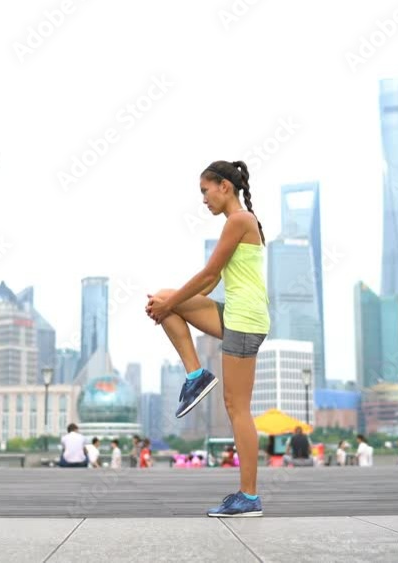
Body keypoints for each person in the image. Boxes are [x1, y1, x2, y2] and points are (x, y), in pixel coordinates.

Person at [145, 161, 270, 518]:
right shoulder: (239, 223)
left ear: (224, 187)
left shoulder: (240, 221)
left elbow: (209, 275)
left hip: (244, 320)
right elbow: (211, 281)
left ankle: (249, 496)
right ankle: (195, 375)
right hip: (234, 313)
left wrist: (173, 302)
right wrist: (169, 302)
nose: (203, 200)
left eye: (205, 190)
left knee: (237, 408)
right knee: (163, 299)